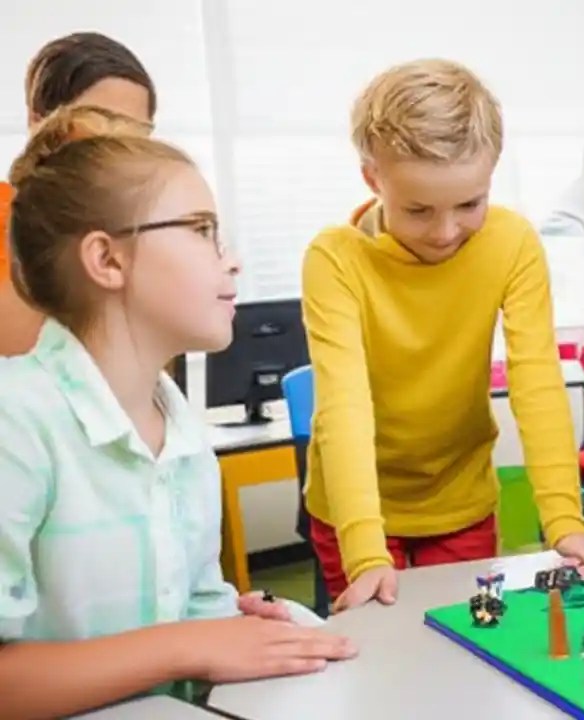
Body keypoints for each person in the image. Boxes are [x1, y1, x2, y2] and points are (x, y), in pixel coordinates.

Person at [0, 107, 354, 719]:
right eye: (200, 230)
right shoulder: (18, 421)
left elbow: (191, 606)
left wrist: (245, 628)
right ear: (108, 261)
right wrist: (188, 646)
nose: (233, 260)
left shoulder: (180, 424)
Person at [302, 59, 584, 613]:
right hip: (355, 509)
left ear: (492, 171)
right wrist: (365, 551)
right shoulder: (335, 259)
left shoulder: (512, 242)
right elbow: (342, 407)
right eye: (418, 210)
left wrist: (563, 519)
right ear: (374, 178)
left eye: (469, 204)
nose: (446, 233)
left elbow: (536, 380)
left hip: (461, 502)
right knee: (381, 667)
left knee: (465, 648)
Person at [1, 31, 157, 357]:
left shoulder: (141, 227)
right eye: (101, 122)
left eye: (136, 134)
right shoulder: (8, 217)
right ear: (39, 121)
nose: (117, 147)